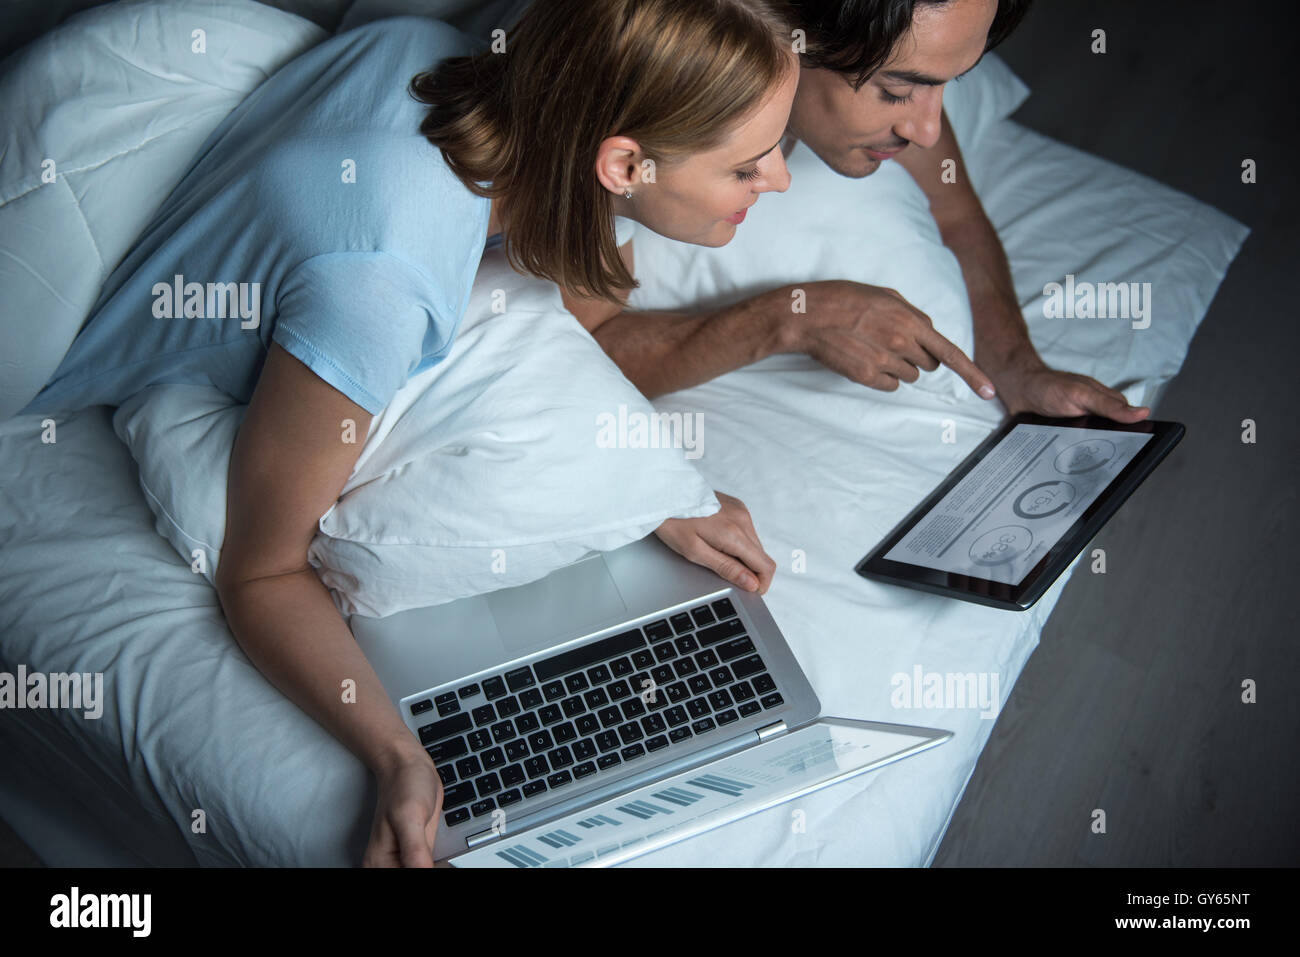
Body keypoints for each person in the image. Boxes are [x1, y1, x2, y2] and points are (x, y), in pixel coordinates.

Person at [19, 0, 800, 865]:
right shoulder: (379, 289)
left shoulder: (435, 55)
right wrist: (399, 759)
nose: (780, 181)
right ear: (622, 162)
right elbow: (263, 571)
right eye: (748, 165)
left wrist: (651, 491)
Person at [566, 0, 1153, 424]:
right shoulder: (630, 130)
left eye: (949, 84)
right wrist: (791, 318)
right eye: (898, 91)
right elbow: (580, 352)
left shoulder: (903, 95)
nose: (927, 131)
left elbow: (955, 215)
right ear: (787, 30)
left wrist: (1020, 370)